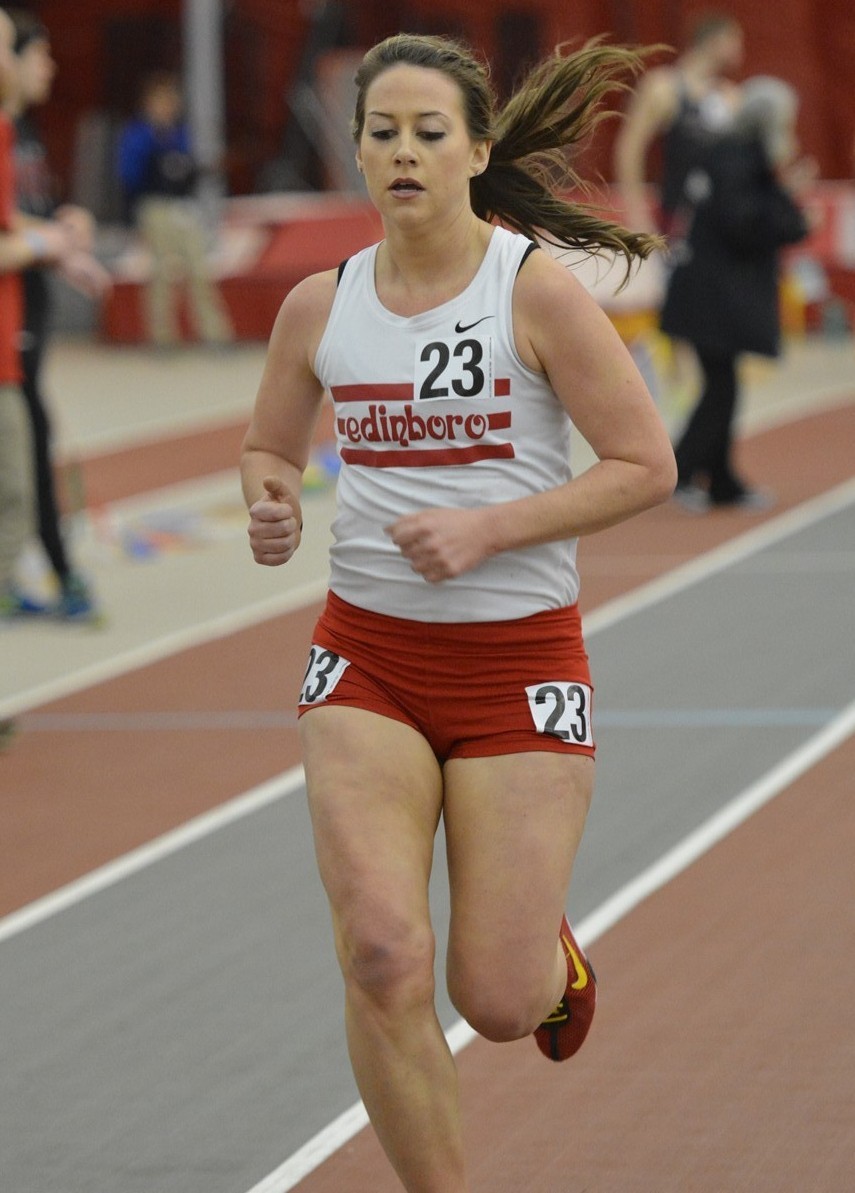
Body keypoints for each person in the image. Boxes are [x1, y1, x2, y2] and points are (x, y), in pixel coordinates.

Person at [241, 33, 676, 1192]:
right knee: (383, 953)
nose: (404, 151)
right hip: (367, 658)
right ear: (357, 150)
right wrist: (269, 501)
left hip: (517, 667)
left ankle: (547, 958)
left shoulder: (531, 291)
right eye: (382, 132)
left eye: (429, 133)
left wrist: (492, 528)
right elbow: (268, 446)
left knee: (496, 999)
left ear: (477, 151)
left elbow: (645, 465)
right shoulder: (320, 304)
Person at [660, 77, 811, 511]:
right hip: (711, 297)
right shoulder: (737, 158)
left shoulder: (733, 155)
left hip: (708, 294)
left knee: (723, 385)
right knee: (721, 388)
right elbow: (744, 223)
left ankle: (721, 481)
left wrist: (785, 197)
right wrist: (790, 209)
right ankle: (681, 471)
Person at [6, 9, 109, 620]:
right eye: (36, 54)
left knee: (26, 448)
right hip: (8, 327)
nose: (50, 66)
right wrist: (50, 242)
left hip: (28, 315)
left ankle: (38, 568)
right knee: (27, 448)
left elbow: (22, 218)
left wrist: (63, 234)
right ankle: (60, 571)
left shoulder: (24, 131)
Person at [116, 70, 234, 349]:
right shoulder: (138, 135)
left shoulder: (179, 134)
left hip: (182, 207)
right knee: (162, 270)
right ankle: (162, 334)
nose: (167, 106)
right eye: (161, 100)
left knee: (199, 267)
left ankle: (214, 332)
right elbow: (128, 175)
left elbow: (186, 170)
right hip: (154, 205)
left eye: (170, 100)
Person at [613, 10, 744, 235]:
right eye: (736, 42)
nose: (741, 51)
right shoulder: (662, 88)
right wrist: (635, 213)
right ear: (716, 41)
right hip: (678, 221)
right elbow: (629, 149)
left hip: (723, 225)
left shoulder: (731, 96)